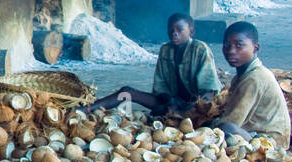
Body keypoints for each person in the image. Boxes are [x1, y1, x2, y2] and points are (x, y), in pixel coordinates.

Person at [83, 13, 220, 116]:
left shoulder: (200, 49)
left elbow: (209, 92)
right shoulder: (166, 50)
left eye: (179, 29)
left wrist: (188, 109)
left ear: (191, 31)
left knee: (169, 114)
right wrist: (169, 102)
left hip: (194, 107)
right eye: (171, 29)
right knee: (127, 92)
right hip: (172, 102)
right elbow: (161, 88)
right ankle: (85, 109)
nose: (174, 33)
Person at [208, 21, 292, 146]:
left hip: (270, 142)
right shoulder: (243, 75)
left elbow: (233, 120)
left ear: (255, 48)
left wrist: (208, 126)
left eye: (239, 45)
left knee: (227, 128)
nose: (231, 51)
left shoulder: (254, 78)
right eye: (226, 45)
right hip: (254, 132)